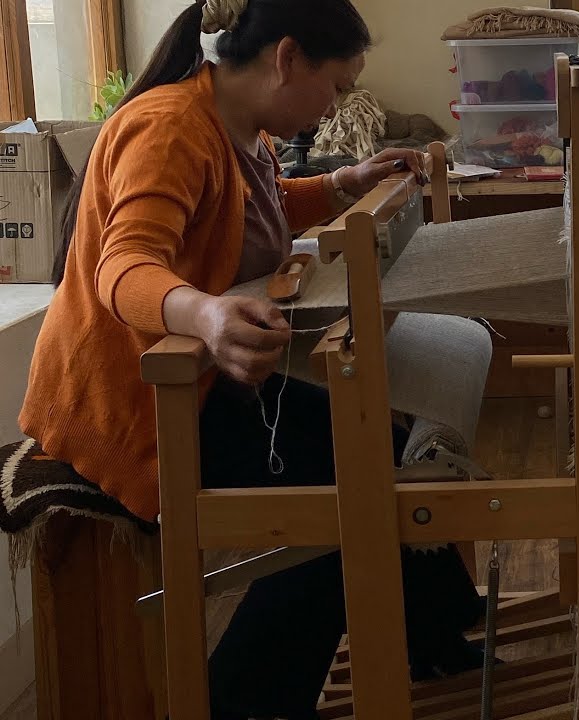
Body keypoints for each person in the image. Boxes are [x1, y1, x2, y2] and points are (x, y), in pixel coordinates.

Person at [19, 1, 485, 718]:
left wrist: (341, 184)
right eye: (335, 85)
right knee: (335, 524)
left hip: (199, 384)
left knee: (388, 458)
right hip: (134, 406)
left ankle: (436, 641)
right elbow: (125, 266)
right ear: (287, 58)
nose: (335, 106)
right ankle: (243, 704)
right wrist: (204, 313)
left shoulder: (239, 129)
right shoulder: (171, 129)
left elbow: (255, 208)